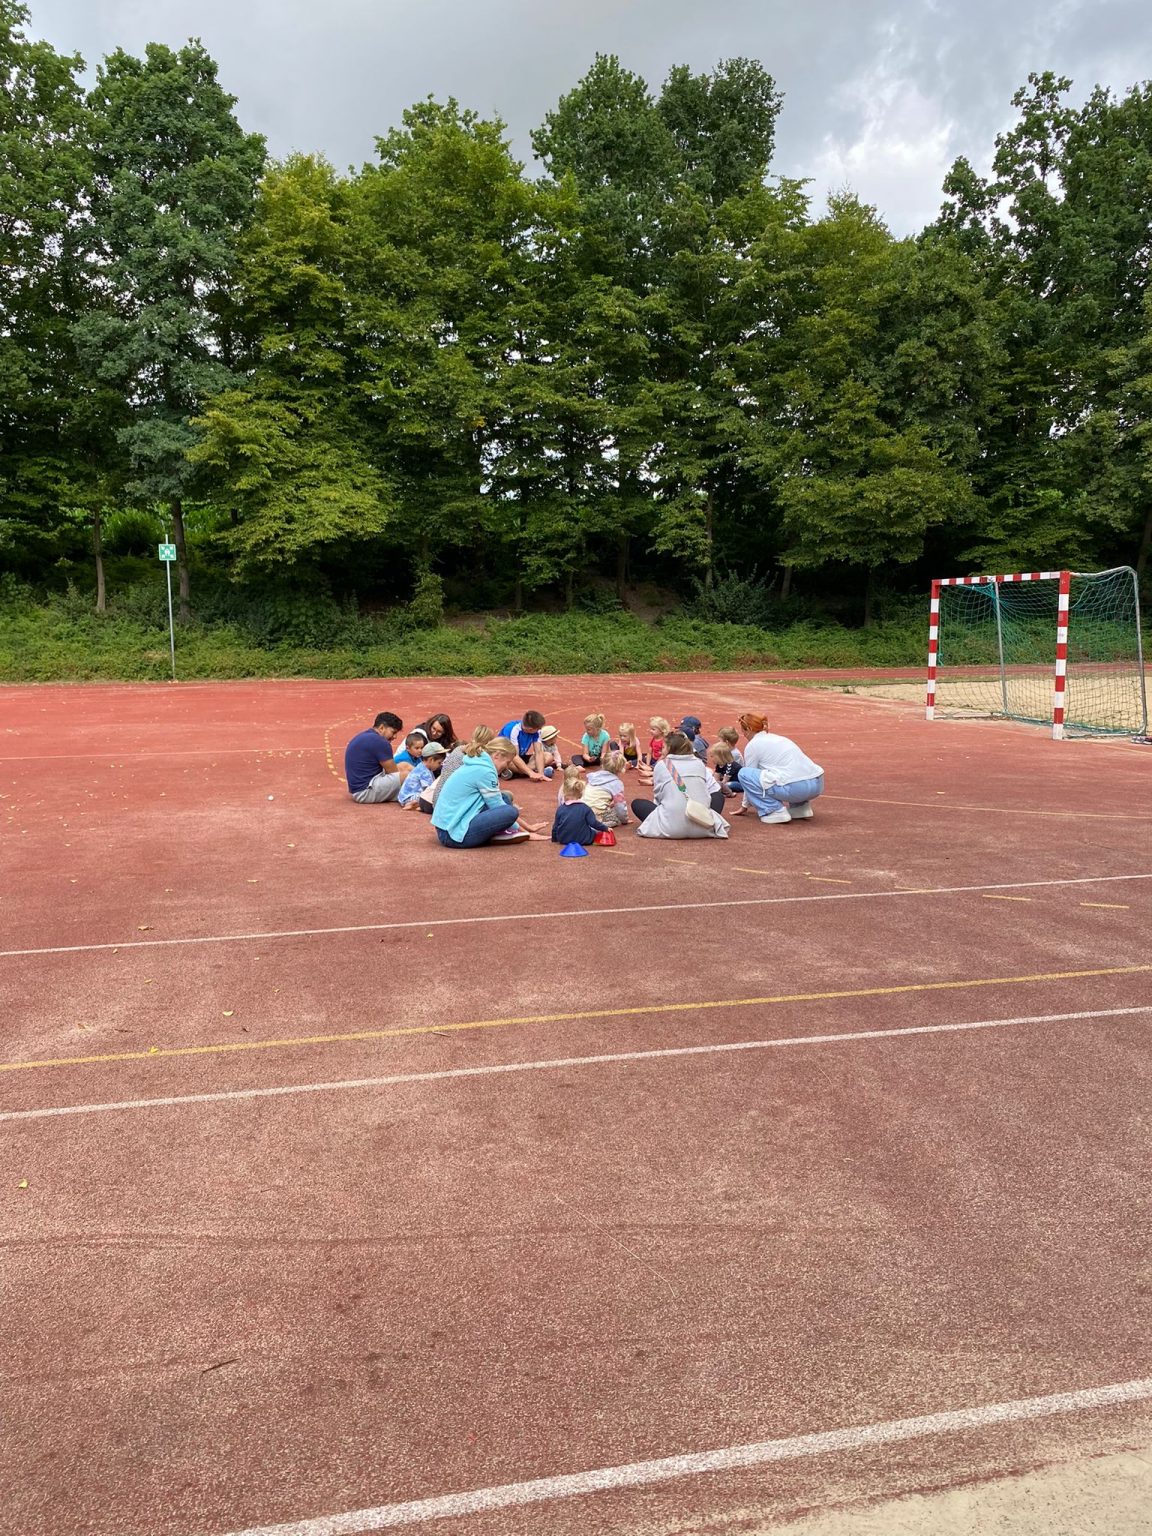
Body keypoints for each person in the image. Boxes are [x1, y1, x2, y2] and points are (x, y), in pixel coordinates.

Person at [431, 732, 546, 848]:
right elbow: (498, 806)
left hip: (446, 828)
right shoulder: (485, 770)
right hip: (453, 836)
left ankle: (499, 833)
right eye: (507, 762)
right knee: (510, 812)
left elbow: (498, 801)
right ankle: (500, 833)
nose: (507, 766)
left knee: (504, 798)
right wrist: (525, 833)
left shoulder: (477, 762)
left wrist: (528, 827)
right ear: (497, 755)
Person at [632, 731, 729, 839]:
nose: (661, 751)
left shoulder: (662, 765)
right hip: (703, 823)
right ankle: (705, 822)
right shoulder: (699, 763)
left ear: (670, 749)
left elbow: (659, 797)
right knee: (718, 796)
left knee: (637, 804)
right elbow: (706, 793)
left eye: (663, 747)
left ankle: (674, 822)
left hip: (670, 827)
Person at [737, 712, 824, 825]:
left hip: (795, 788)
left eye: (743, 730)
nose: (743, 734)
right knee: (785, 771)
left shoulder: (753, 745)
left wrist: (744, 805)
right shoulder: (780, 738)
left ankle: (774, 811)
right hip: (817, 783)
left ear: (748, 729)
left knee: (744, 773)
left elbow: (748, 777)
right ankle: (801, 807)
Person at [344, 712, 407, 804]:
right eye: (393, 732)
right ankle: (424, 795)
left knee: (405, 766)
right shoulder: (381, 742)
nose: (395, 737)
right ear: (381, 728)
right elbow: (394, 773)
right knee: (406, 776)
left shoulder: (365, 735)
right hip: (365, 792)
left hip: (359, 789)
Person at [552, 768, 610, 846]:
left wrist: (554, 838)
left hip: (563, 839)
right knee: (594, 831)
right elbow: (593, 823)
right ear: (581, 793)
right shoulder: (585, 808)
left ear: (565, 792)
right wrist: (605, 828)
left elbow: (555, 826)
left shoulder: (560, 809)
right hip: (583, 839)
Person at [583, 750, 630, 827]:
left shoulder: (594, 776)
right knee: (615, 814)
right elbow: (620, 806)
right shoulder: (616, 783)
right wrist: (624, 820)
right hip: (595, 816)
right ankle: (597, 824)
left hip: (582, 812)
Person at [497, 709, 547, 779]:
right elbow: (514, 756)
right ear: (530, 729)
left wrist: (541, 774)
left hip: (520, 757)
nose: (540, 730)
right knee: (508, 763)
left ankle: (518, 772)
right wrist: (531, 773)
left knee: (548, 756)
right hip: (507, 757)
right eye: (538, 728)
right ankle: (525, 771)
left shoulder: (536, 732)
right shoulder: (513, 729)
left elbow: (539, 752)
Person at [398, 740, 446, 809]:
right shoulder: (425, 772)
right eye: (439, 763)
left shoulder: (421, 766)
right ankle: (414, 804)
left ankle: (415, 804)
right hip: (410, 797)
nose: (440, 765)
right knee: (429, 797)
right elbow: (428, 790)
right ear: (431, 760)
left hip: (403, 796)